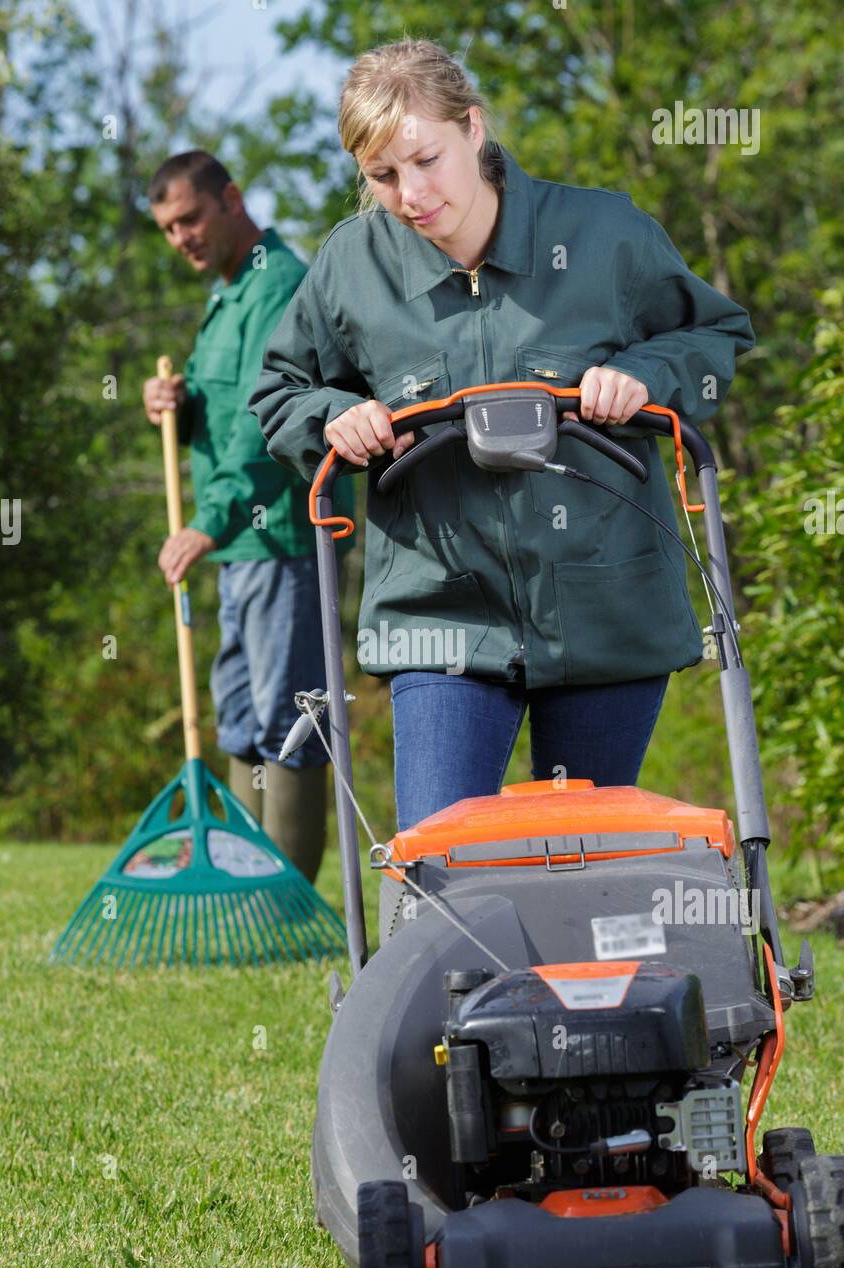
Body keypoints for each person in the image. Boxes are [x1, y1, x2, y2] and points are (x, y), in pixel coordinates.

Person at [248, 40, 755, 833]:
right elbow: (279, 390)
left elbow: (716, 336)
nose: (411, 195)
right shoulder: (351, 265)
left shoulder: (603, 232)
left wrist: (648, 375)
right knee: (442, 866)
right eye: (382, 176)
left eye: (426, 160)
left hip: (605, 603)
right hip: (438, 611)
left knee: (586, 867)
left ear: (473, 129)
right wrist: (331, 418)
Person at [143, 149, 354, 879]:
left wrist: (212, 519)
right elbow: (224, 408)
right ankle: (243, 877)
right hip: (239, 546)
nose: (182, 239)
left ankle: (284, 894)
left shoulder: (280, 285)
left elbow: (269, 426)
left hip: (283, 535)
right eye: (169, 230)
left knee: (287, 718)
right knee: (238, 712)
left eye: (191, 219)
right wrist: (175, 404)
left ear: (231, 198)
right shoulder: (225, 296)